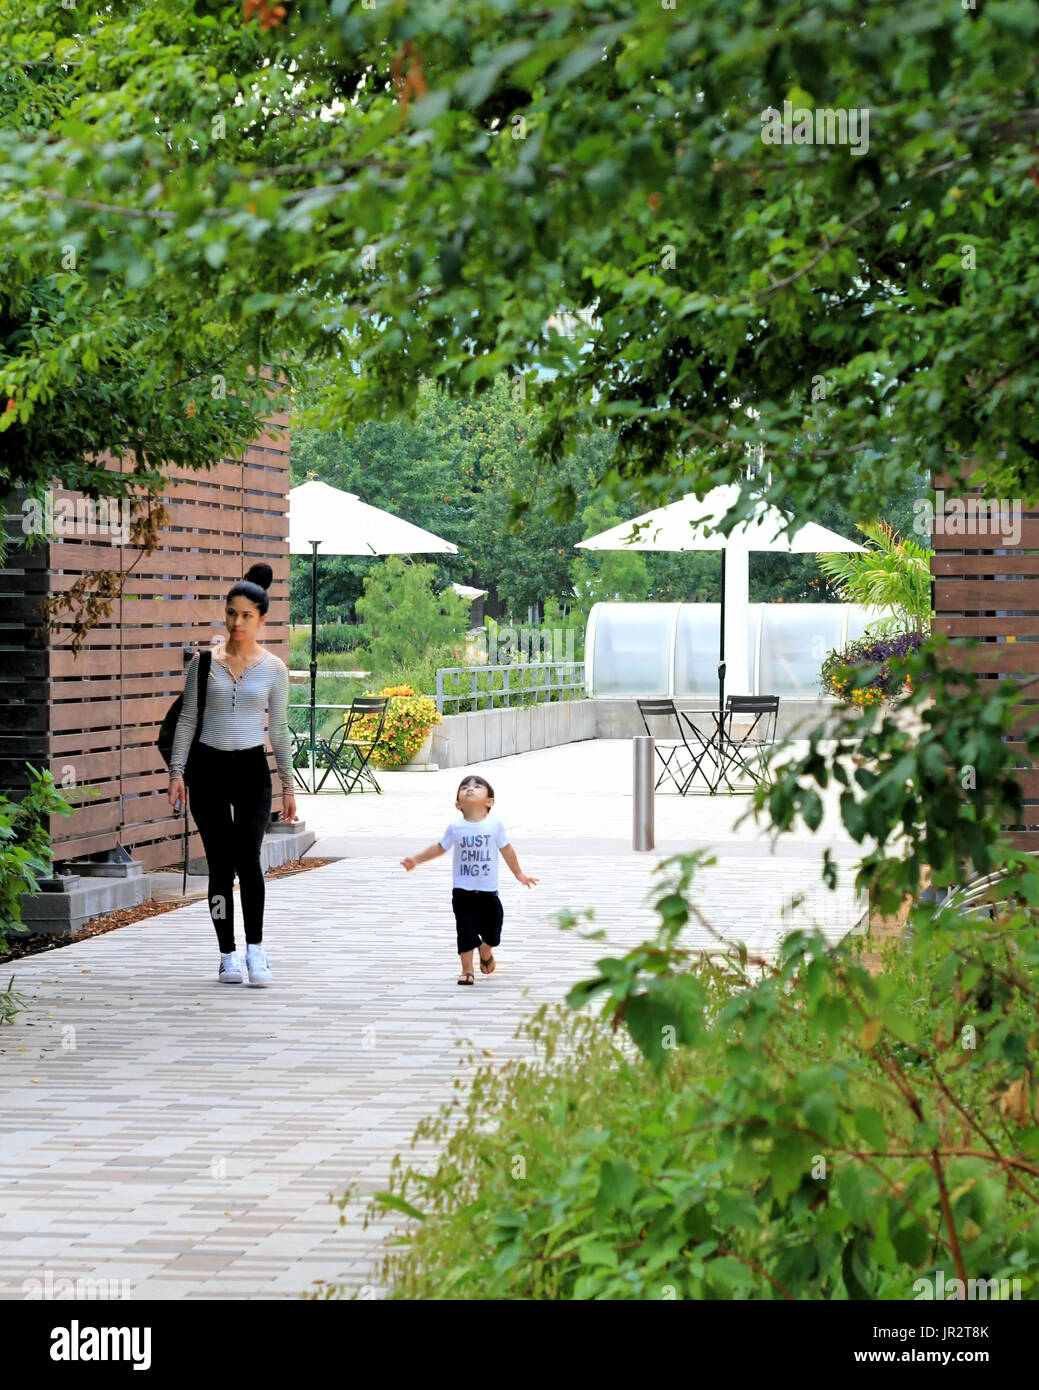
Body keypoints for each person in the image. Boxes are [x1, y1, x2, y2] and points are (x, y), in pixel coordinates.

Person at [166, 562, 297, 987]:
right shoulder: (202, 665)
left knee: (249, 862)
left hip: (252, 772)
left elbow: (278, 729)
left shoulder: (275, 670)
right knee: (220, 866)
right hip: (208, 770)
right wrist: (177, 773)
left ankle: (256, 951)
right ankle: (227, 955)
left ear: (262, 619)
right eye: (230, 613)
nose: (236, 622)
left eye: (245, 615)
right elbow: (186, 722)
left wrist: (288, 785)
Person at [401, 775, 538, 985]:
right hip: (462, 892)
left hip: (488, 893)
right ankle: (467, 969)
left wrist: (519, 874)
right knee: (465, 930)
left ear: (489, 801)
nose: (470, 789)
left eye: (476, 787)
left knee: (493, 932)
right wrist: (416, 859)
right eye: (464, 787)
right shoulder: (455, 827)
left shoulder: (495, 825)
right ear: (458, 804)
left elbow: (507, 850)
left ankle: (486, 949)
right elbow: (439, 848)